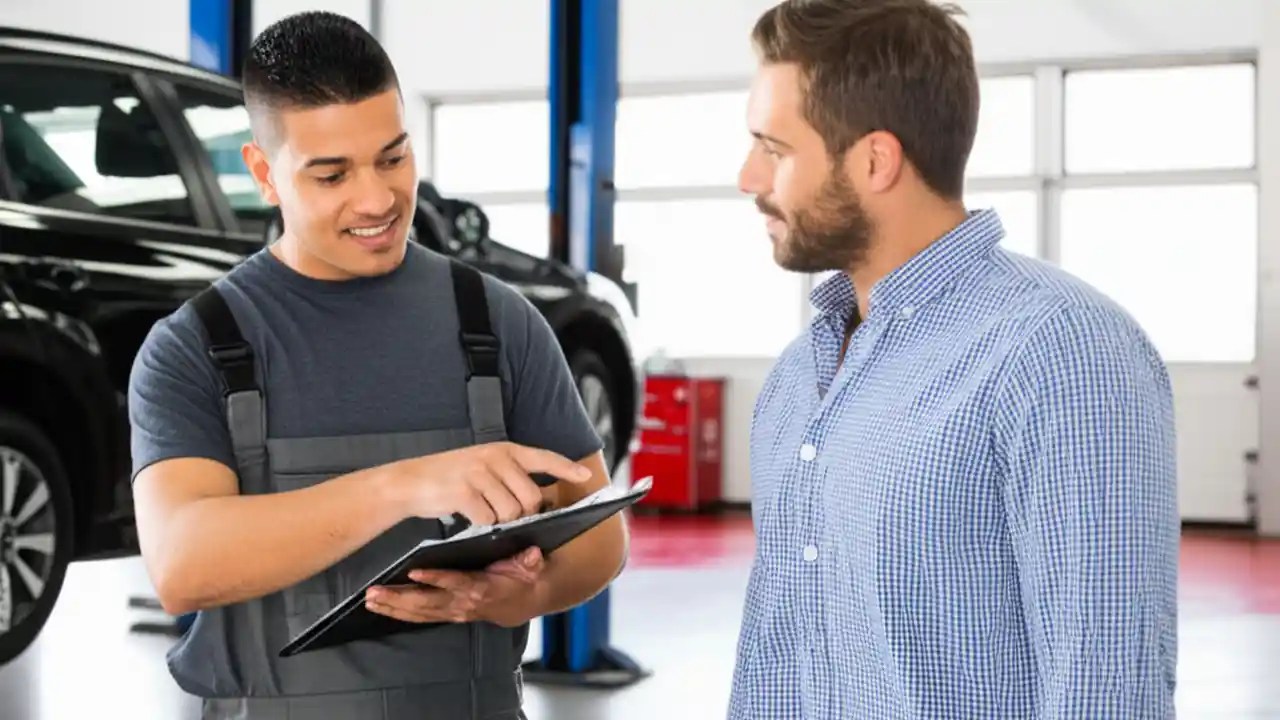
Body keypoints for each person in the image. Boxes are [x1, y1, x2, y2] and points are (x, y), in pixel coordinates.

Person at [127, 11, 627, 719]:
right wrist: (404, 487)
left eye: (392, 158)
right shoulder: (197, 347)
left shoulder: (496, 322)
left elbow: (598, 529)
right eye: (332, 175)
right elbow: (183, 566)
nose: (377, 200)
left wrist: (528, 593)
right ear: (265, 173)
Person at [729, 1, 1178, 718]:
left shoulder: (1060, 351)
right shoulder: (799, 375)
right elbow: (782, 659)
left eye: (775, 150)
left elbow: (1106, 681)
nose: (749, 178)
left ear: (876, 160)